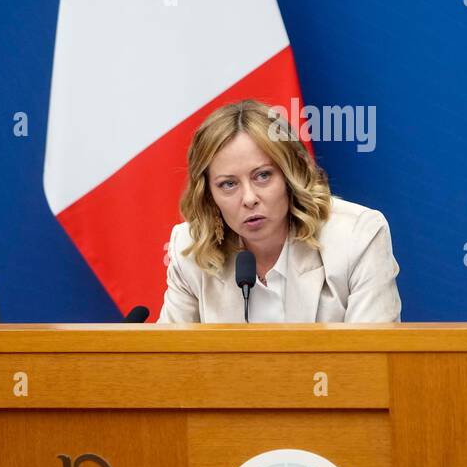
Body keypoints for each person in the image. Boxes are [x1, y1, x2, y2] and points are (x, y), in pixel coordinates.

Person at [158, 100, 401, 323]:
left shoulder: (357, 237)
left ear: (290, 175)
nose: (249, 199)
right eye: (228, 184)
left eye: (263, 176)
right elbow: (166, 362)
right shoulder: (189, 249)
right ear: (209, 195)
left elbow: (372, 364)